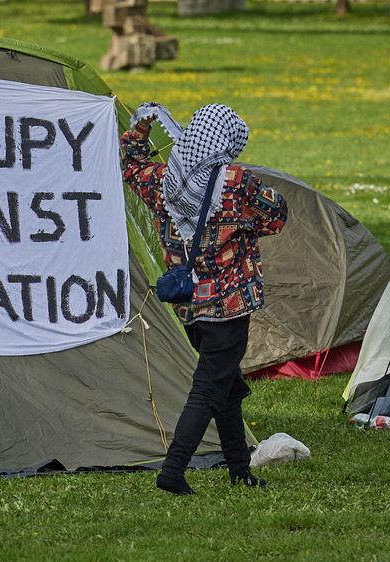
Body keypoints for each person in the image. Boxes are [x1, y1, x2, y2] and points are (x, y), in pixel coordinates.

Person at [120, 103, 288, 495]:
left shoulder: (164, 182)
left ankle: (239, 470)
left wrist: (141, 129)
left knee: (226, 386)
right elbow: (277, 216)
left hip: (190, 305)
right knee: (209, 389)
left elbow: (132, 164)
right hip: (229, 307)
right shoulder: (236, 183)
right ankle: (173, 470)